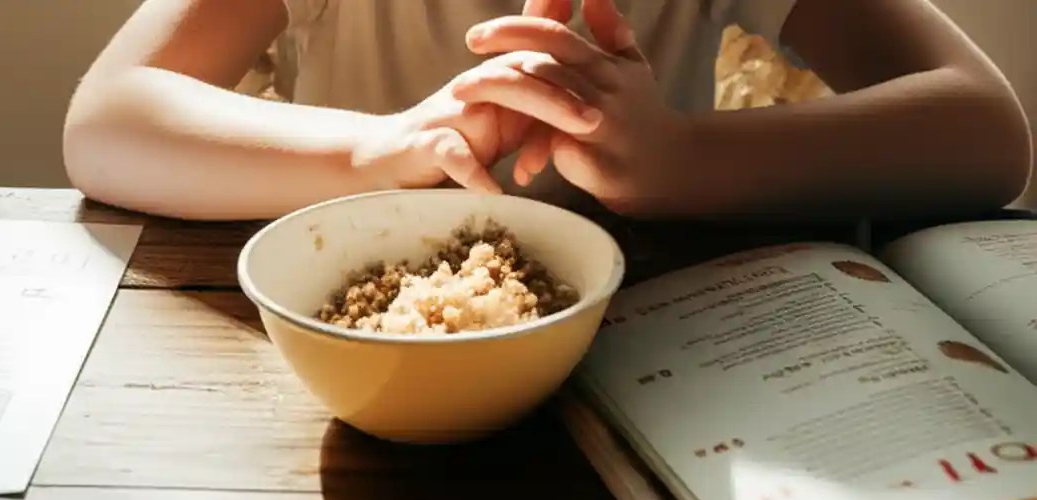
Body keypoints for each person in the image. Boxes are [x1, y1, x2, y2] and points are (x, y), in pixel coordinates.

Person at [62, 0, 1032, 223]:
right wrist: (378, 146)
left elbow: (983, 128)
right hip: (348, 349)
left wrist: (683, 158)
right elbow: (106, 118)